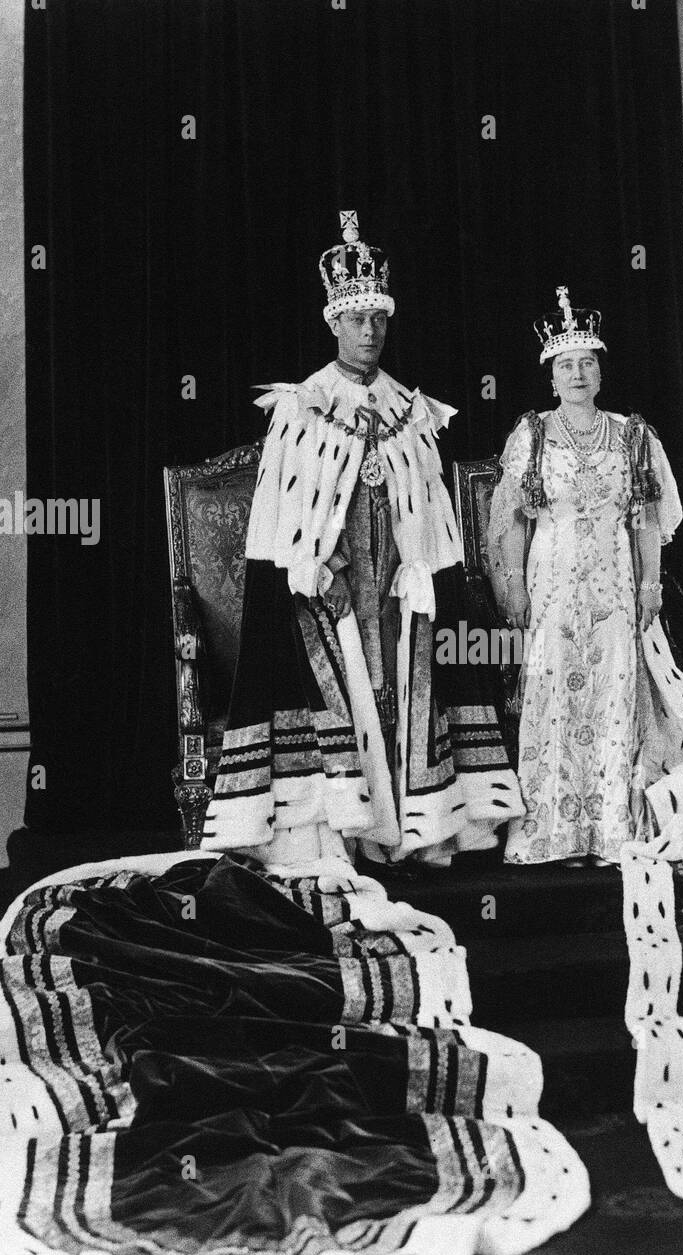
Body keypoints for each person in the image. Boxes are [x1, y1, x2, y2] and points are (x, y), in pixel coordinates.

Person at [202, 212, 523, 868]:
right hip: (329, 592)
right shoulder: (303, 408)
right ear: (335, 323)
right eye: (357, 321)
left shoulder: (411, 408)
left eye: (378, 320)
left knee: (401, 689)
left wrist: (420, 566)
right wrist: (314, 566)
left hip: (396, 589)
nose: (370, 331)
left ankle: (410, 829)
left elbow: (431, 515)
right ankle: (339, 828)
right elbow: (281, 522)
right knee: (343, 695)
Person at [487, 287, 683, 867]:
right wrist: (515, 587)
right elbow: (512, 521)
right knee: (554, 694)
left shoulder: (633, 435)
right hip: (551, 583)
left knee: (613, 692)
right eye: (566, 365)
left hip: (615, 584)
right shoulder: (533, 433)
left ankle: (611, 830)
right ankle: (553, 831)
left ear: (600, 372)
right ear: (551, 377)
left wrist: (650, 583)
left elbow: (647, 518)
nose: (577, 373)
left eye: (587, 363)